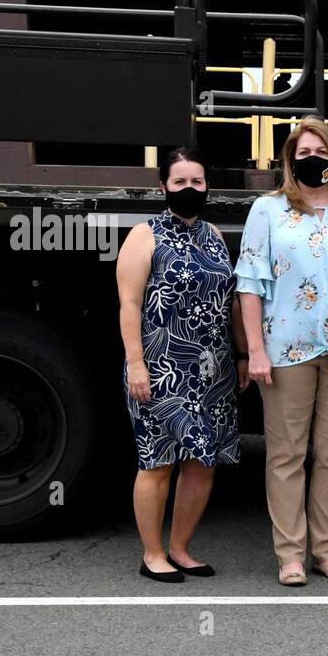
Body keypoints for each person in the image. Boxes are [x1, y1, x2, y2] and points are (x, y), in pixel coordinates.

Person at [236, 117, 328, 587]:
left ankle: (326, 549)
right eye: (302, 153)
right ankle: (290, 556)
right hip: (286, 350)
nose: (312, 160)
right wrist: (255, 350)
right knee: (286, 454)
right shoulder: (268, 209)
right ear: (290, 159)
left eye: (320, 151)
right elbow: (249, 283)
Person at [116, 146, 247, 583]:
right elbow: (129, 304)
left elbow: (230, 302)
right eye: (180, 182)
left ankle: (181, 548)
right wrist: (136, 363)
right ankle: (152, 553)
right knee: (157, 461)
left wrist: (243, 354)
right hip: (160, 368)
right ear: (163, 187)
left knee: (202, 462)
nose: (189, 189)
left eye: (197, 182)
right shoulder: (144, 235)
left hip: (213, 369)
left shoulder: (213, 234)